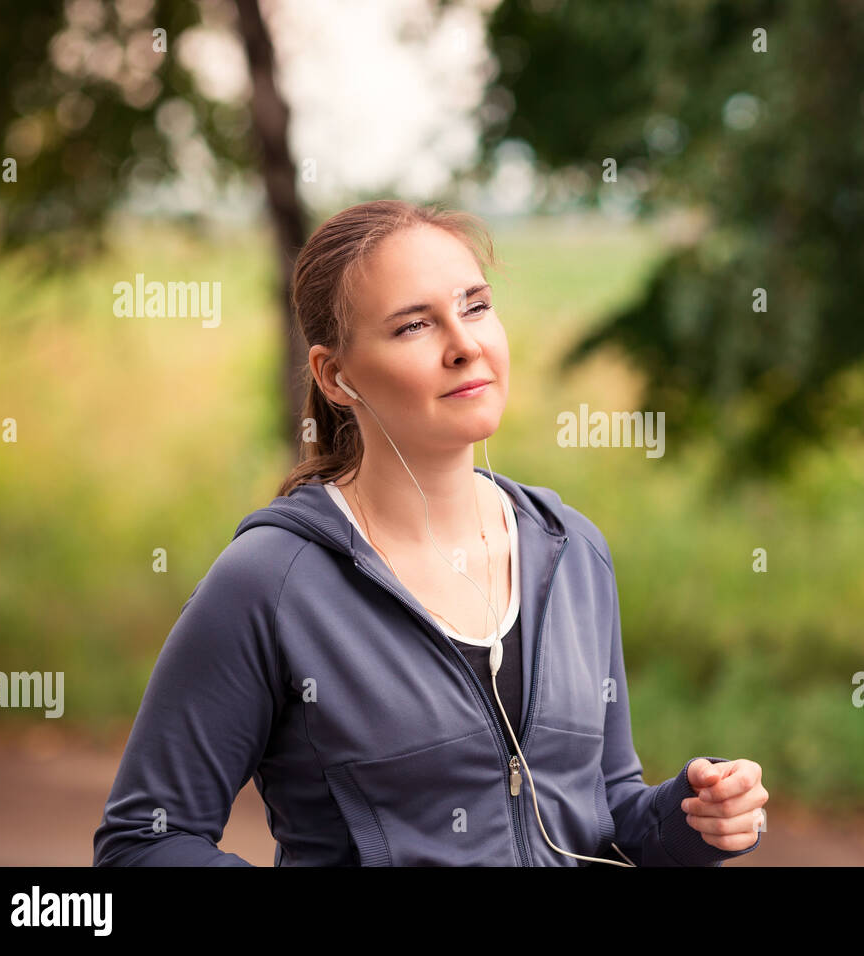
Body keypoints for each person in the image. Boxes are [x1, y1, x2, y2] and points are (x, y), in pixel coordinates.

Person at [92, 199, 768, 866]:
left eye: (475, 306)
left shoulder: (573, 551)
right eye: (414, 326)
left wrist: (689, 817)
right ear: (335, 376)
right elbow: (144, 843)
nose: (465, 345)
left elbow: (603, 810)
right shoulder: (269, 583)